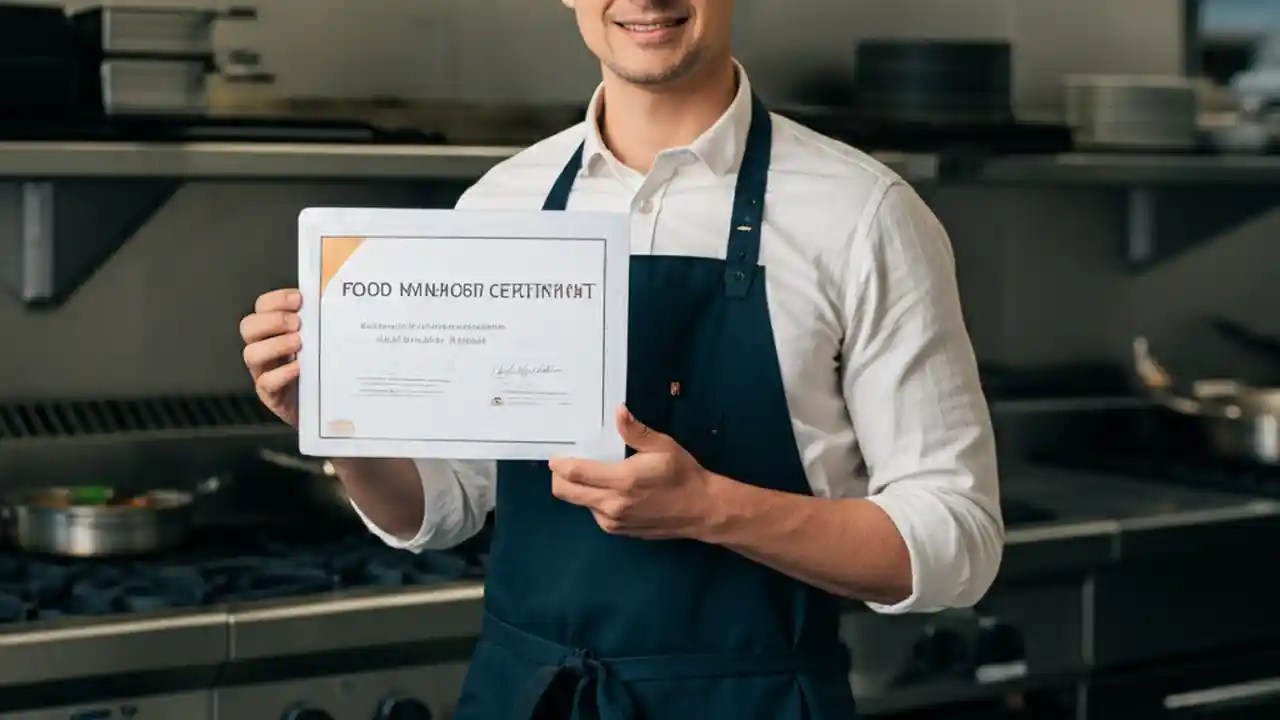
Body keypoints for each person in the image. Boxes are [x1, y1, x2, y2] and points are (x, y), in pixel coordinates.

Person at [239, 0, 1004, 717]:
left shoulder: (863, 215)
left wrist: (710, 508)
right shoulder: (502, 205)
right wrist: (339, 421)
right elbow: (444, 507)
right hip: (527, 697)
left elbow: (955, 541)